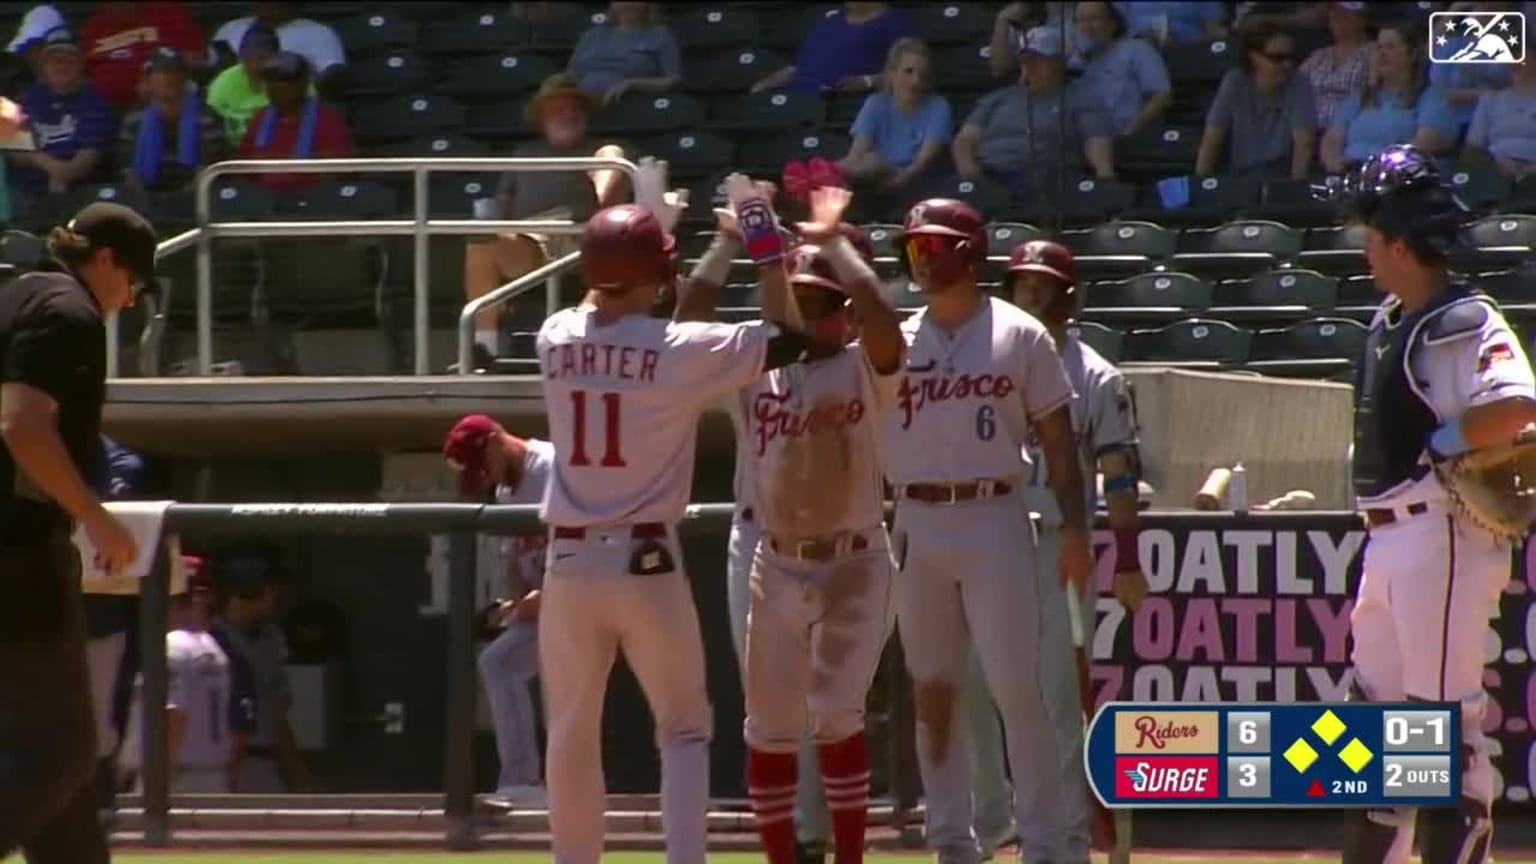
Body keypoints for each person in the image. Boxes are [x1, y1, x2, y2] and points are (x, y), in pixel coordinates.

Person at [535, 198, 817, 864]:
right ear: (654, 273)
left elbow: (604, 295)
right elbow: (792, 336)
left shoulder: (553, 334)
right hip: (645, 560)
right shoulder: (678, 350)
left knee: (571, 732)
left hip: (568, 563)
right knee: (685, 729)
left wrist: (652, 230)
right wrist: (757, 244)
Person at [687, 185, 904, 864]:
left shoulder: (865, 369)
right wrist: (733, 243)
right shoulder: (754, 373)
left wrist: (835, 243)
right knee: (771, 727)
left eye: (824, 305)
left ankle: (847, 858)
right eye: (801, 305)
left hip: (854, 560)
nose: (812, 317)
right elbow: (688, 326)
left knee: (838, 717)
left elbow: (884, 323)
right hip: (773, 559)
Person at [877, 197, 1092, 864]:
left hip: (994, 512)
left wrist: (1078, 531)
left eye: (931, 246)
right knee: (933, 689)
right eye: (914, 248)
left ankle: (1045, 841)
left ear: (967, 252)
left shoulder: (1019, 333)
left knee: (1013, 687)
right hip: (914, 519)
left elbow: (1059, 443)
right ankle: (950, 838)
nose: (920, 259)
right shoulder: (901, 337)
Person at [1339, 144, 1536, 864]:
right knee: (1374, 729)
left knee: (1440, 727)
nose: (1362, 247)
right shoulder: (1393, 317)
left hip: (1441, 532)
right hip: (1390, 538)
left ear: (1397, 241)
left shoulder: (1462, 317)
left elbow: (1516, 404)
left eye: (1369, 233)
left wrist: (1443, 442)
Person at [0, 201, 149, 863]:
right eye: (134, 281)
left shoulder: (17, 293)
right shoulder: (70, 311)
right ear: (109, 260)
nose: (130, 298)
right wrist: (96, 517)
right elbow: (22, 426)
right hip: (16, 550)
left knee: (60, 764)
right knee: (58, 752)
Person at [1007, 239, 1150, 864]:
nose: (1032, 297)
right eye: (1023, 285)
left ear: (1069, 297)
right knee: (991, 694)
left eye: (1044, 287)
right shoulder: (991, 364)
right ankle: (1006, 829)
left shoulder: (1094, 376)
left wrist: (1125, 558)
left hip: (1057, 547)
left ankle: (1066, 843)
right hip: (991, 540)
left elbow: (1117, 476)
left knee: (1061, 700)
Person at [463, 73, 628, 368]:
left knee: (496, 240)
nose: (567, 113)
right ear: (542, 117)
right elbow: (502, 205)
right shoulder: (523, 155)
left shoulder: (601, 149)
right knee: (480, 243)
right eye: (558, 108)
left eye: (573, 107)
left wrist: (597, 194)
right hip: (528, 236)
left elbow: (610, 179)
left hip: (579, 234)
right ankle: (483, 349)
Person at [442, 413, 555, 809]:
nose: (485, 477)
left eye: (482, 465)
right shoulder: (507, 492)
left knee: (560, 687)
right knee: (498, 661)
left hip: (585, 593)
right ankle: (523, 783)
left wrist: (537, 600)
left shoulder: (553, 467)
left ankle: (538, 784)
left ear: (496, 441)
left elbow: (581, 548)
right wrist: (514, 603)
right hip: (547, 607)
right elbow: (515, 561)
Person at [120, 556, 245, 794]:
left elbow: (173, 716)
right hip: (211, 775)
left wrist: (157, 783)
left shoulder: (172, 647)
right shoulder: (213, 648)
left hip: (175, 779)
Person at [952, 26, 1116, 200]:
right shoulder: (997, 98)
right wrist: (970, 173)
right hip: (988, 175)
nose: (1030, 66)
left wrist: (1104, 175)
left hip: (1047, 180)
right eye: (1025, 60)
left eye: (1038, 60)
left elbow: (1096, 142)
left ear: (1058, 62)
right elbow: (966, 139)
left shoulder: (1081, 99)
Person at [83, 435, 147, 823]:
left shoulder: (104, 452)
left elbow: (127, 476)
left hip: (94, 612)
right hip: (22, 610)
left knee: (95, 728)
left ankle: (98, 813)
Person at [210, 552, 308, 793]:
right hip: (224, 764)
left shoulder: (271, 639)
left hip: (266, 764)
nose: (277, 597)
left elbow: (278, 715)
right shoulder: (212, 641)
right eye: (271, 589)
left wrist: (298, 778)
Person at [1319, 22, 1457, 174]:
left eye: (1390, 47)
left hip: (1398, 179)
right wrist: (1333, 162)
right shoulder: (1360, 97)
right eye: (1379, 48)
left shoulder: (1432, 98)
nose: (1382, 53)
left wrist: (1382, 166)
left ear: (1412, 55)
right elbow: (1332, 139)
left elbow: (1424, 144)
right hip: (1350, 174)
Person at [1194, 23, 1318, 180]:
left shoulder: (1300, 83)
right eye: (1277, 58)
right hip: (1239, 177)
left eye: (1290, 58)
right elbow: (1212, 139)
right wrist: (1200, 185)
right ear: (1254, 57)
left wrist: (1295, 191)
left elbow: (1304, 145)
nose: (1287, 65)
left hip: (1280, 178)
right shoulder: (1235, 81)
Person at [10, 27, 114, 198]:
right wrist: (53, 170)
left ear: (80, 64)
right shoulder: (29, 98)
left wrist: (60, 176)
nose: (61, 65)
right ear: (43, 66)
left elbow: (85, 161)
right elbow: (18, 152)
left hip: (82, 191)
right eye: (54, 60)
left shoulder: (95, 101)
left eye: (68, 59)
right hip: (29, 192)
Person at [839, 38, 953, 192]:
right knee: (859, 162)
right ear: (892, 73)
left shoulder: (938, 107)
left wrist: (899, 180)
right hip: (870, 175)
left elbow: (922, 162)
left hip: (910, 179)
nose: (916, 81)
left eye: (923, 75)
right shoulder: (876, 103)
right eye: (908, 72)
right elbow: (857, 152)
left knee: (872, 160)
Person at [237, 52, 352, 193]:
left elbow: (337, 172)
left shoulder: (327, 120)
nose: (274, 86)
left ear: (302, 83)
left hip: (314, 201)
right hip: (263, 202)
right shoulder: (260, 118)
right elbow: (242, 166)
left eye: (283, 80)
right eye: (270, 80)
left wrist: (281, 163)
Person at [119, 47, 227, 194]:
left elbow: (208, 170)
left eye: (175, 71)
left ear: (185, 77)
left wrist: (180, 200)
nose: (169, 78)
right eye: (161, 72)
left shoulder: (206, 117)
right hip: (145, 197)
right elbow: (129, 171)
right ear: (148, 79)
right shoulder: (134, 118)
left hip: (195, 196)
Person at [751, 2, 911, 96]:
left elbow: (910, 73)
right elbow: (795, 68)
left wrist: (867, 82)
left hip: (842, 104)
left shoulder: (895, 24)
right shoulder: (829, 22)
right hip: (795, 101)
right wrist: (765, 84)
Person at [79, 1, 205, 111]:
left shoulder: (167, 12)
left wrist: (156, 77)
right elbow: (83, 73)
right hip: (105, 110)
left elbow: (194, 58)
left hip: (163, 104)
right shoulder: (94, 26)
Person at [1071, 1, 1172, 136]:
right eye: (1080, 20)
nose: (1087, 26)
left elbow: (1162, 96)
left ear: (1112, 24)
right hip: (1084, 137)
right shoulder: (1075, 60)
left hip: (1127, 134)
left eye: (1093, 19)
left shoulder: (1137, 50)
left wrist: (1131, 128)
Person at [211, 1, 346, 97]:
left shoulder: (318, 32)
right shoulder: (231, 28)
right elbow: (209, 67)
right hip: (232, 106)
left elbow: (333, 73)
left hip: (291, 107)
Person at [567, 1, 680, 104]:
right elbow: (571, 75)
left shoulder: (660, 35)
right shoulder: (593, 34)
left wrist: (632, 84)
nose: (628, 4)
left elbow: (672, 80)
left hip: (629, 101)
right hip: (581, 101)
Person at [1297, 1, 1373, 130]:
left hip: (1346, 128)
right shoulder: (1319, 56)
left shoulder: (1373, 53)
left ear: (1362, 18)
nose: (1336, 16)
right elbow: (1294, 87)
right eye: (1333, 11)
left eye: (1344, 13)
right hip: (1307, 129)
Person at [205, 22, 282, 141]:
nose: (254, 65)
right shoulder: (223, 82)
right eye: (247, 59)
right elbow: (212, 126)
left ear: (277, 57)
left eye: (262, 58)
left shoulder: (292, 80)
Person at [1464, 56, 1536, 179]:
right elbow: (1473, 149)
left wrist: (1528, 170)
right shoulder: (1491, 100)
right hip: (1494, 172)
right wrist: (1495, 163)